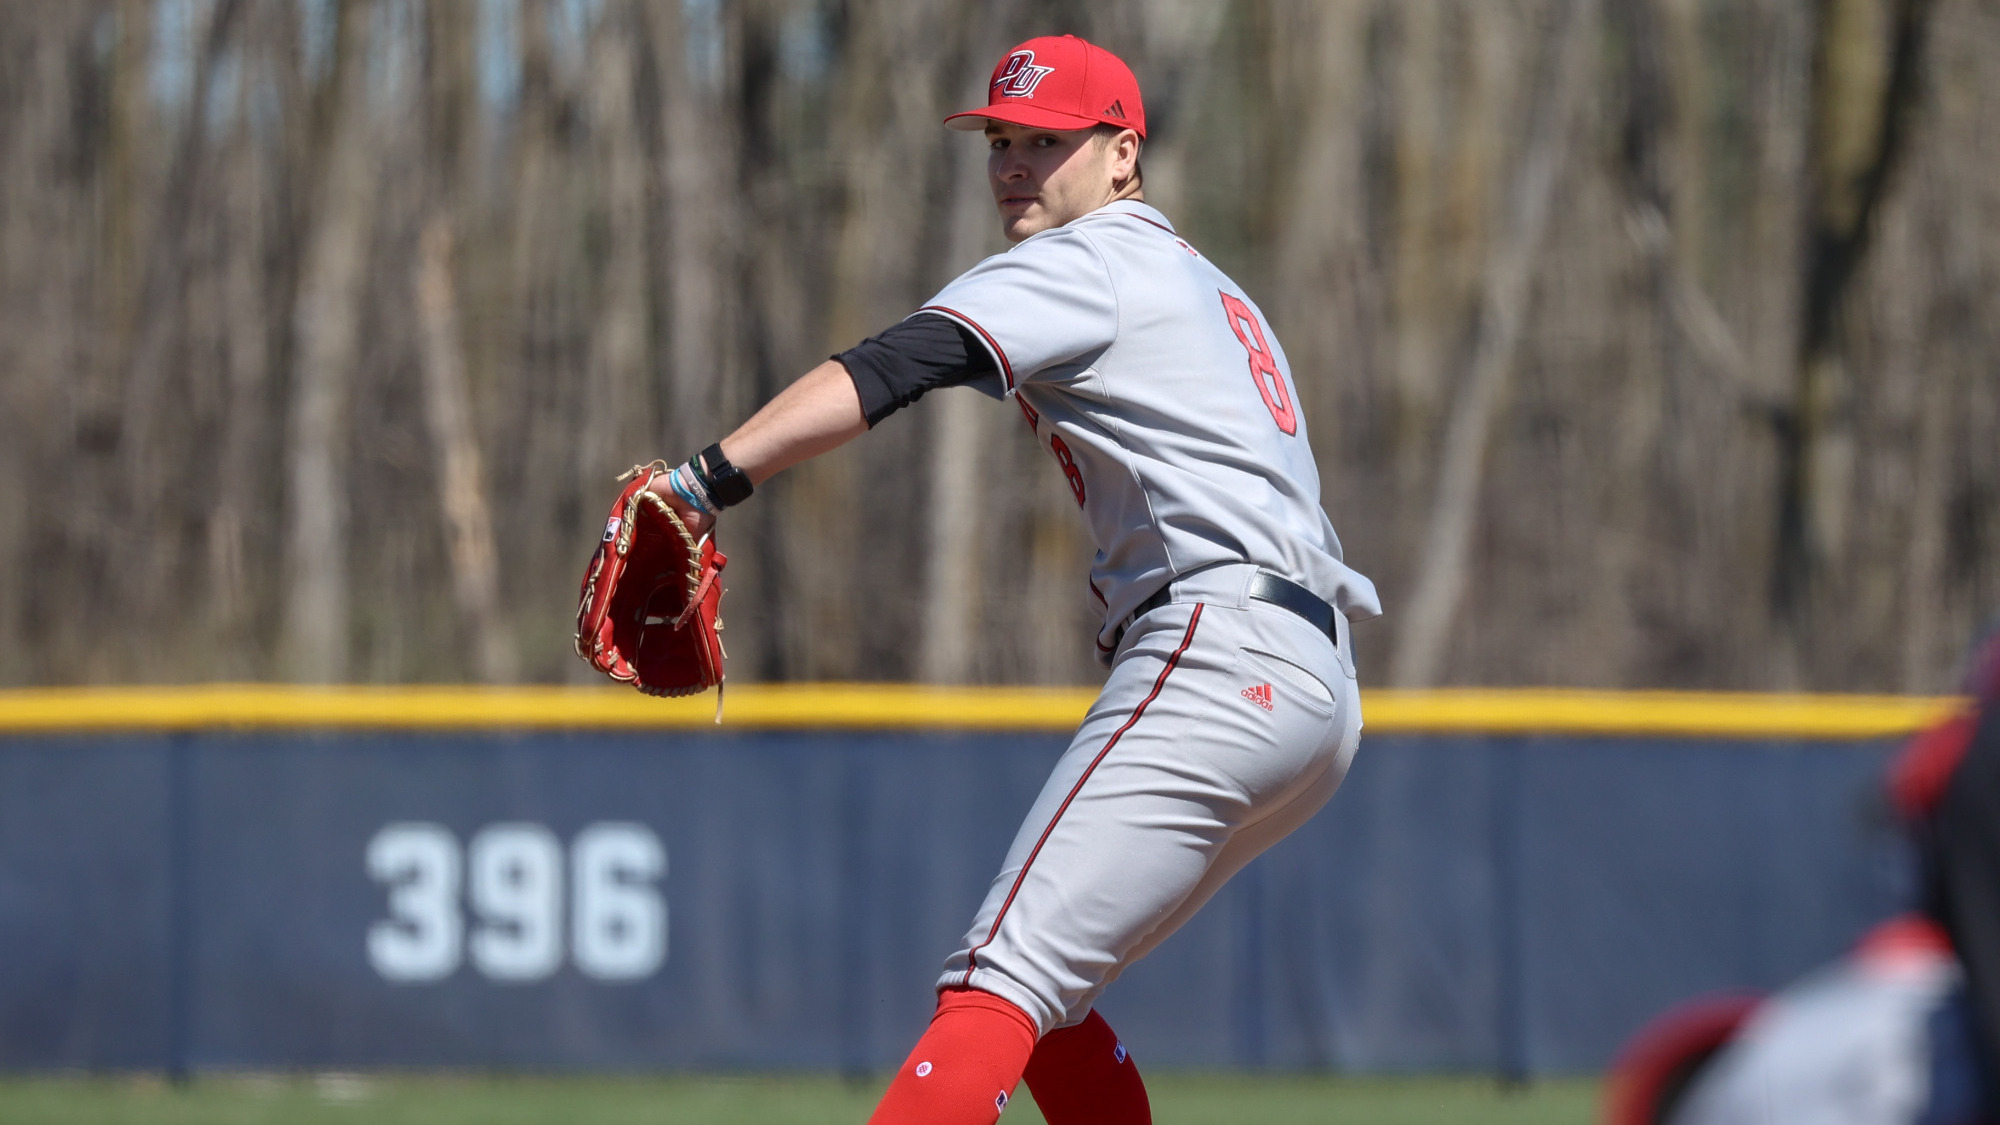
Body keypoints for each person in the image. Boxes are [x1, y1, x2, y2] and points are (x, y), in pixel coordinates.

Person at [650, 35, 1378, 1124]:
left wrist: (702, 482)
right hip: (1312, 691)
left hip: (1218, 653)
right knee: (1053, 1001)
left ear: (1122, 155)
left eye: (1046, 142)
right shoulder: (1207, 284)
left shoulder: (1089, 260)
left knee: (993, 985)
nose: (1011, 167)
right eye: (999, 141)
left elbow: (896, 365)